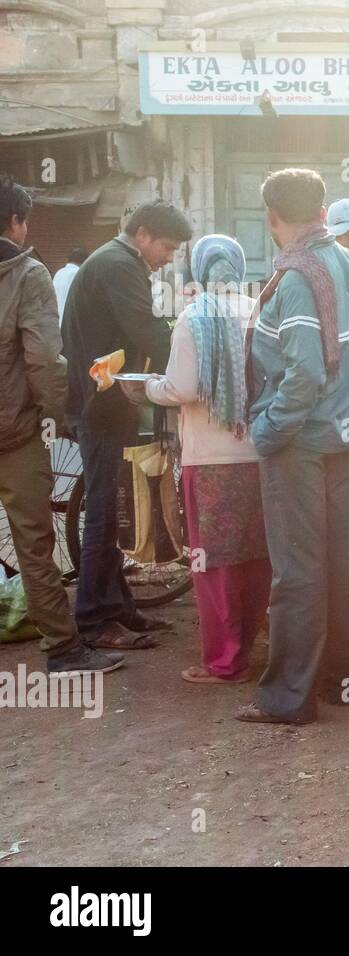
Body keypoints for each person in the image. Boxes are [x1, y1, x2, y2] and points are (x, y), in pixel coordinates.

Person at [238, 168, 349, 725]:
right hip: (343, 436)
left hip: (301, 442)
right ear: (323, 211)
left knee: (297, 570)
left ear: (271, 217)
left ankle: (288, 698)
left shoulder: (298, 277)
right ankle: (339, 679)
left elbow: (301, 373)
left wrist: (269, 431)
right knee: (336, 564)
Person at [0, 177, 122, 675]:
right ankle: (63, 649)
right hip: (13, 431)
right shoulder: (26, 273)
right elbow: (44, 359)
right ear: (16, 221)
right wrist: (56, 414)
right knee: (33, 542)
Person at [62, 199, 192, 650]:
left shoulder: (114, 262)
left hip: (107, 404)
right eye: (167, 247)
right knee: (101, 514)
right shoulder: (119, 265)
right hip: (100, 408)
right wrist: (193, 346)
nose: (168, 257)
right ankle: (95, 620)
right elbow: (146, 329)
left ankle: (119, 607)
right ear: (142, 235)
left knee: (112, 508)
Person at [145, 236, 269, 684]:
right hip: (259, 454)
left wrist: (145, 386)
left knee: (212, 562)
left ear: (199, 270)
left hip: (210, 457)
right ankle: (252, 647)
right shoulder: (260, 310)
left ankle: (223, 661)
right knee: (256, 556)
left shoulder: (192, 318)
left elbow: (182, 389)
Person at [51, 247, 86, 325]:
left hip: (55, 324)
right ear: (84, 262)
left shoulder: (59, 273)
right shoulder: (78, 274)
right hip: (70, 325)